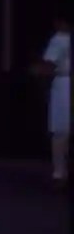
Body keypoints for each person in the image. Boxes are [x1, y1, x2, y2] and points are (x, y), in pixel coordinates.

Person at [34, 13, 71, 187]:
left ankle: (59, 172)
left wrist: (38, 71)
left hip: (64, 83)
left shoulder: (59, 39)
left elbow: (49, 64)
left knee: (61, 129)